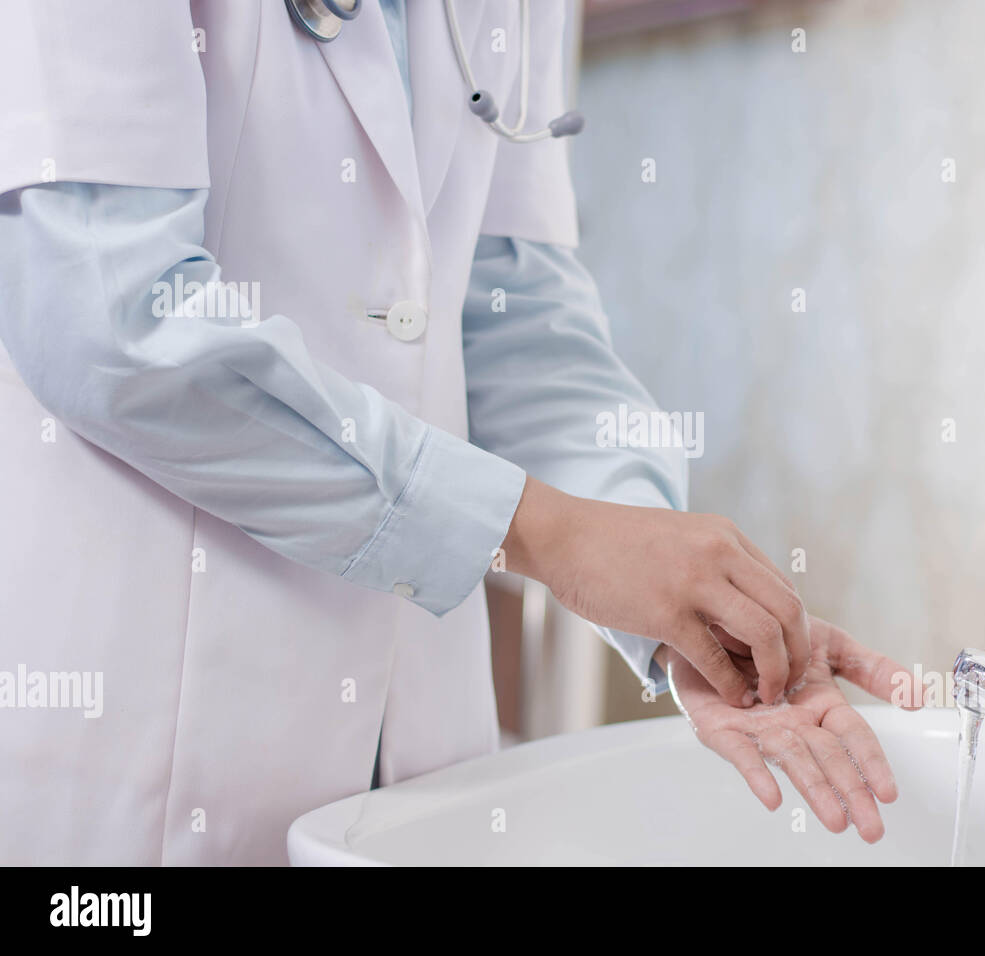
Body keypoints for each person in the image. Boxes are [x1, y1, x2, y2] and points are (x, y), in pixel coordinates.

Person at [0, 0, 915, 864]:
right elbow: (109, 315)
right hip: (136, 738)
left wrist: (681, 608)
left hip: (420, 756)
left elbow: (517, 315)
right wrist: (543, 530)